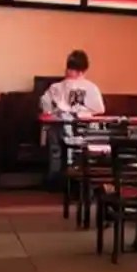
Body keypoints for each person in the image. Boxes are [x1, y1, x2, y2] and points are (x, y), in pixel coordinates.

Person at [40, 49, 105, 186]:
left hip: (79, 126)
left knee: (71, 149)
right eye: (69, 69)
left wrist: (78, 112)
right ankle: (56, 178)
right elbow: (46, 104)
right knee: (56, 149)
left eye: (74, 70)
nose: (70, 72)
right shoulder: (57, 87)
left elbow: (98, 109)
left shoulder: (89, 87)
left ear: (82, 71)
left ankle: (71, 179)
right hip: (60, 124)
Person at [40, 49, 105, 117]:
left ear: (82, 72)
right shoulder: (55, 87)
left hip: (80, 121)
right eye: (69, 68)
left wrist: (81, 113)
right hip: (58, 120)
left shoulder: (90, 88)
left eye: (73, 69)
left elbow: (99, 110)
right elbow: (45, 106)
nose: (69, 71)